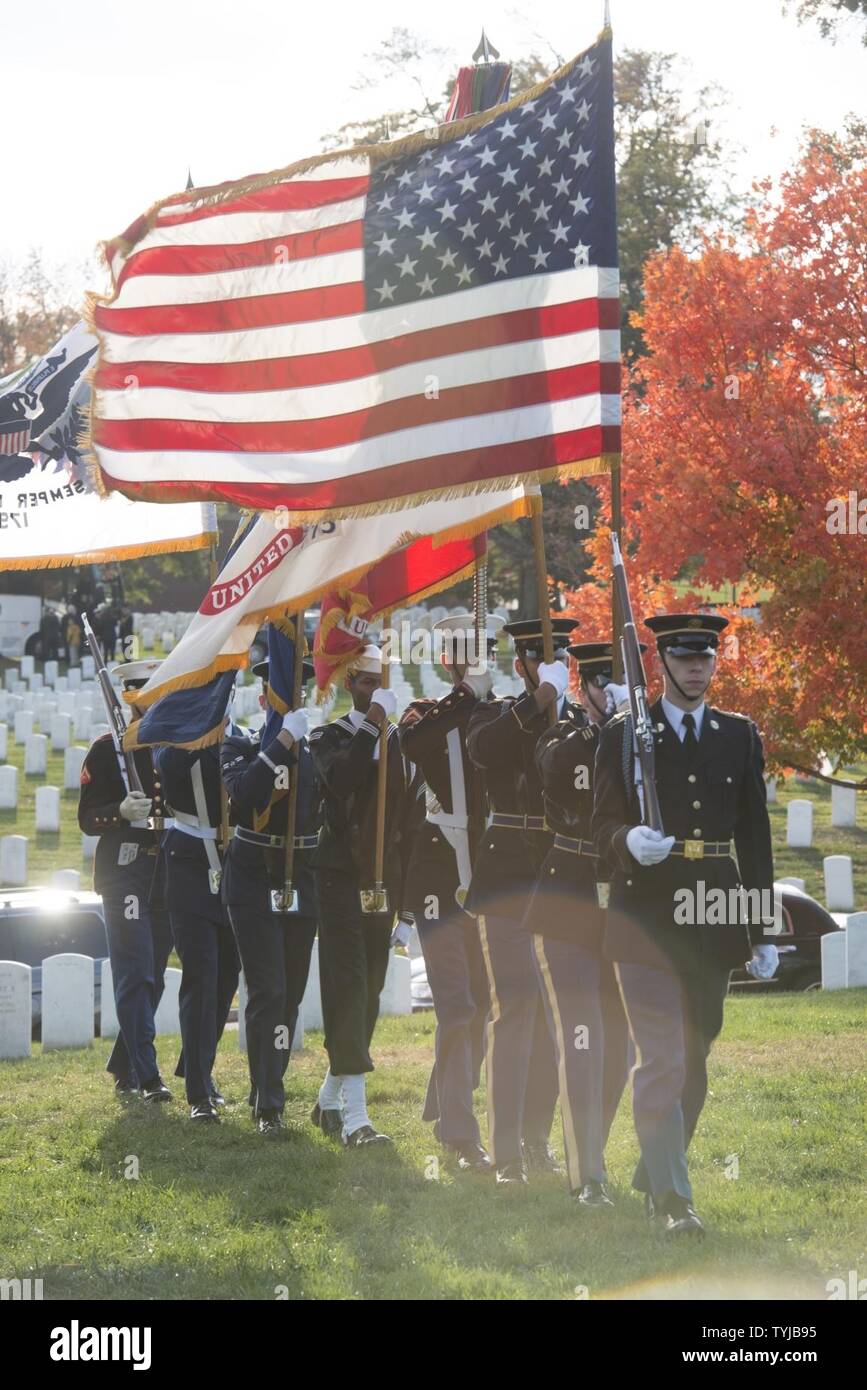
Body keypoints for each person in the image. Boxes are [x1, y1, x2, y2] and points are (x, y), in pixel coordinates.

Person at [592, 613, 779, 1238]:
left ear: (716, 662)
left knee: (694, 1058)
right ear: (662, 662)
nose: (696, 667)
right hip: (645, 909)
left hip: (714, 914)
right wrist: (626, 839)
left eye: (706, 656)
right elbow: (597, 827)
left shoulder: (738, 734)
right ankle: (673, 1201)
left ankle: (654, 1168)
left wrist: (763, 924)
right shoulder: (626, 734)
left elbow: (754, 836)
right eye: (683, 656)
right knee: (663, 1055)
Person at [465, 616, 579, 1187]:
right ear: (522, 665)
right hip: (509, 874)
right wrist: (540, 700)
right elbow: (484, 750)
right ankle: (506, 1151)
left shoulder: (578, 723)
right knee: (515, 1010)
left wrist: (573, 714)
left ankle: (538, 1138)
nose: (546, 670)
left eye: (555, 661)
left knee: (556, 1018)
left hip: (561, 875)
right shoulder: (498, 713)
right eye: (537, 661)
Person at [522, 640, 632, 1207]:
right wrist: (603, 728)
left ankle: (594, 1152)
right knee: (582, 1039)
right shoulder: (567, 738)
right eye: (600, 682)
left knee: (620, 1049)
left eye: (616, 680)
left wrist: (626, 728)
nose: (609, 690)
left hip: (621, 905)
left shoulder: (637, 737)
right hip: (566, 901)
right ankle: (588, 1177)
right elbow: (556, 770)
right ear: (582, 686)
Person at [398, 614, 500, 1174]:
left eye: (480, 653)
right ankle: (462, 1132)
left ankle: (443, 1104)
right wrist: (463, 696)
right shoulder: (426, 712)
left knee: (482, 1007)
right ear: (446, 662)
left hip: (490, 877)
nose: (473, 661)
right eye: (462, 655)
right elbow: (412, 741)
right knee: (457, 1006)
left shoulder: (501, 711)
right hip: (439, 882)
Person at [308, 643, 415, 1149]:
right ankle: (355, 1118)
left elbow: (411, 824)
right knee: (347, 983)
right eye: (365, 682)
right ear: (350, 684)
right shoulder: (327, 738)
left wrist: (409, 906)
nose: (374, 690)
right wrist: (375, 721)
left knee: (370, 988)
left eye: (380, 682)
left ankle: (330, 1095)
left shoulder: (401, 744)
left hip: (381, 882)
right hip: (338, 878)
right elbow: (342, 778)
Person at [220, 659, 320, 1135]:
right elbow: (244, 795)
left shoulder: (317, 752)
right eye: (280, 698)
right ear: (264, 701)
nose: (289, 706)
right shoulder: (239, 745)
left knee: (291, 997)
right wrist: (282, 742)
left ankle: (269, 1084)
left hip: (301, 878)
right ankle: (268, 1104)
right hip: (253, 876)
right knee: (268, 990)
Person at [77, 660, 173, 1102]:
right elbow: (86, 819)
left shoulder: (174, 742)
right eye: (144, 696)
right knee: (135, 973)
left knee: (153, 973)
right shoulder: (105, 749)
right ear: (132, 698)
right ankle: (148, 1076)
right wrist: (119, 812)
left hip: (164, 871)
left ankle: (124, 1062)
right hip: (124, 874)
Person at [157, 740, 239, 1122]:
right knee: (201, 978)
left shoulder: (237, 737)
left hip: (231, 869)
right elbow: (168, 768)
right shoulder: (176, 742)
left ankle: (199, 1067)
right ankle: (198, 1093)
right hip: (189, 867)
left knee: (226, 979)